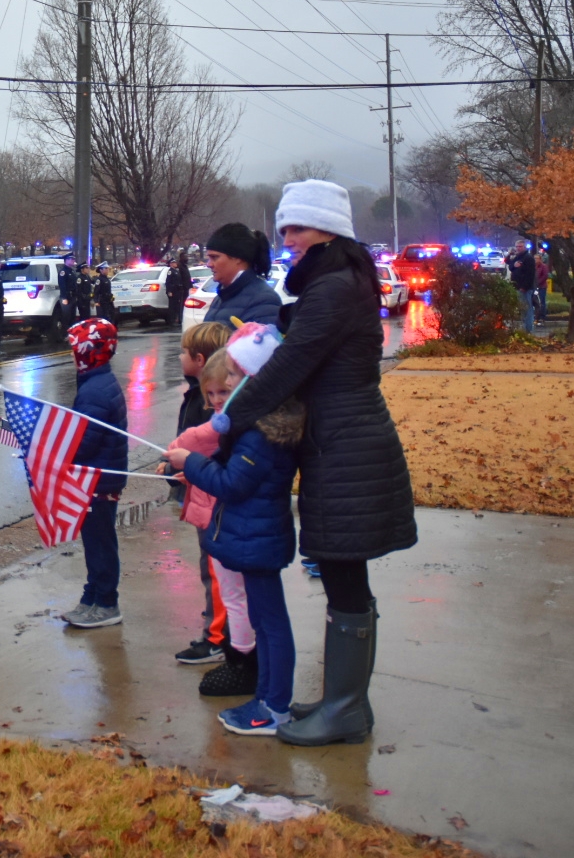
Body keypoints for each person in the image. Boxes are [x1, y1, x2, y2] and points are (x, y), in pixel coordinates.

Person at [216, 179, 417, 746]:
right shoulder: (334, 284)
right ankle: (342, 701)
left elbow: (287, 371)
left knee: (345, 574)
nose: (289, 241)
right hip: (341, 443)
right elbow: (295, 339)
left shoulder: (333, 290)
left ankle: (347, 709)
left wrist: (222, 422)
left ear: (330, 228)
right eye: (284, 230)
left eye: (298, 228)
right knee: (339, 572)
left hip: (347, 449)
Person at [168, 335, 303, 736]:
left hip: (258, 538)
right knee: (263, 622)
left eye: (233, 382)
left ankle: (275, 706)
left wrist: (191, 462)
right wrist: (192, 466)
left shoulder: (260, 433)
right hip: (252, 536)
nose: (218, 399)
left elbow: (233, 484)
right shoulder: (253, 425)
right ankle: (264, 697)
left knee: (272, 625)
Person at [170, 320, 235, 666]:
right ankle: (218, 630)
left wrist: (179, 457)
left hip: (214, 510)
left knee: (217, 575)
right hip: (205, 499)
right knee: (212, 573)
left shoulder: (217, 415)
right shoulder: (200, 398)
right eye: (212, 396)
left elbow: (196, 441)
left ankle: (218, 638)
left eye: (183, 352)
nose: (215, 402)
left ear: (199, 358)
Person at [61, 317, 127, 629]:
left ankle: (107, 602)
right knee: (96, 541)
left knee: (100, 542)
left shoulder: (95, 392)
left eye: (75, 348)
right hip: (100, 477)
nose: (71, 354)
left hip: (98, 480)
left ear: (89, 352)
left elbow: (84, 441)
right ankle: (93, 595)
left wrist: (58, 453)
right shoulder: (96, 384)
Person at [203, 223, 281, 328]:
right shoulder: (221, 297)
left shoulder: (264, 300)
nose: (209, 264)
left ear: (238, 258)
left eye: (214, 257)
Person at [506, 239, 536, 335]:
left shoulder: (528, 258)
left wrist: (525, 286)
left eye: (520, 246)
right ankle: (524, 328)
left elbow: (530, 274)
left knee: (527, 308)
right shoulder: (518, 257)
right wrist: (513, 263)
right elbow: (510, 266)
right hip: (517, 286)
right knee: (522, 309)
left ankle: (528, 329)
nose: (518, 248)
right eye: (517, 246)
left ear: (525, 247)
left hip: (525, 288)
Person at [166, 249, 192, 321]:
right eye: (185, 257)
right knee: (180, 305)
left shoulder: (184, 266)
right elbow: (174, 280)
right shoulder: (179, 267)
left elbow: (187, 278)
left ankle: (181, 318)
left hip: (187, 289)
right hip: (182, 289)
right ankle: (180, 319)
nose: (186, 258)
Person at [535, 250, 551, 325]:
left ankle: (543, 317)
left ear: (540, 259)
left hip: (542, 287)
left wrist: (538, 283)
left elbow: (545, 276)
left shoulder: (543, 266)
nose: (535, 260)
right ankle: (536, 317)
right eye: (534, 258)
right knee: (535, 302)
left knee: (542, 302)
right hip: (534, 286)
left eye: (537, 258)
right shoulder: (534, 266)